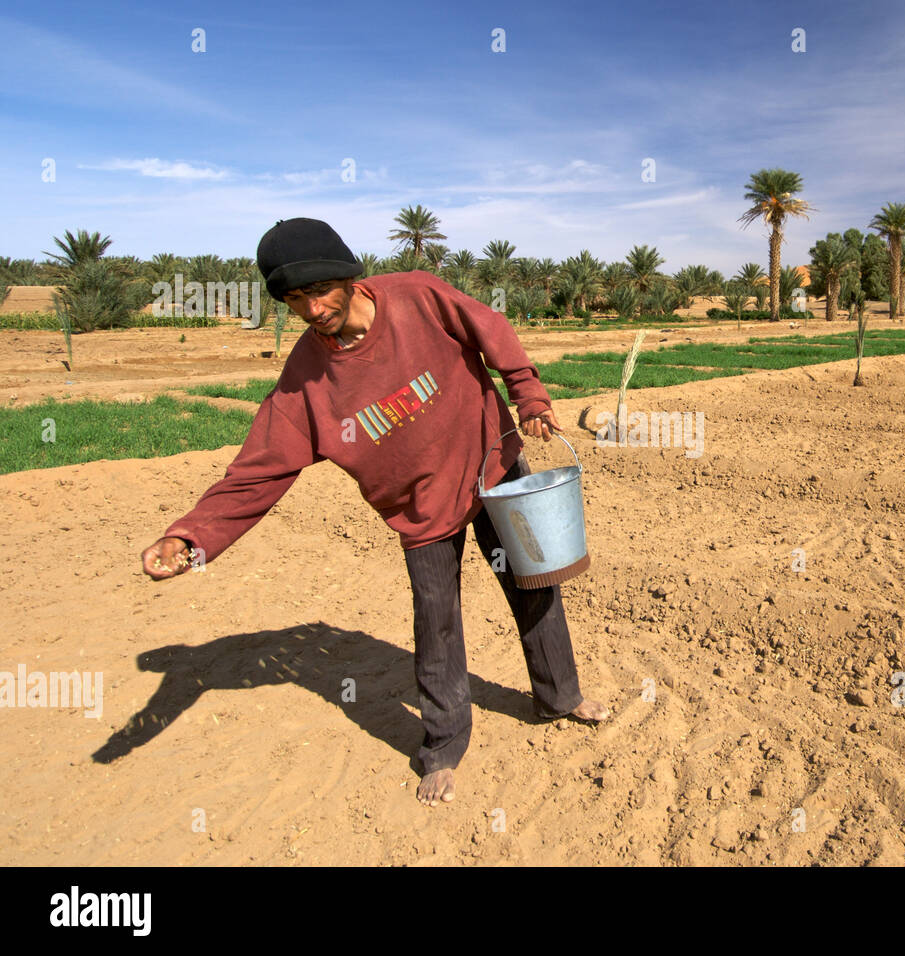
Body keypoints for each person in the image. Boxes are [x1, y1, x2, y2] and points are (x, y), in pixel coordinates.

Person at [140, 217, 609, 806]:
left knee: (534, 586)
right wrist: (190, 538)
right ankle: (442, 747)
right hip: (419, 508)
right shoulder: (304, 381)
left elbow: (491, 329)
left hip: (493, 467)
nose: (310, 310)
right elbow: (256, 471)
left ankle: (559, 697)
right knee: (436, 622)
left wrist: (528, 393)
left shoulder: (418, 296)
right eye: (293, 300)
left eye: (318, 291)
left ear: (349, 277)